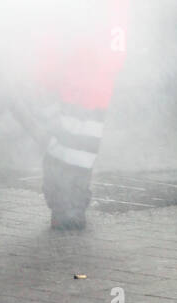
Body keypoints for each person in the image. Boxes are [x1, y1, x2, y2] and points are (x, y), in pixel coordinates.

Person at [31, 1, 131, 230]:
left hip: (84, 86)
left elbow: (116, 39)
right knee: (70, 147)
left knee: (72, 147)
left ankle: (68, 207)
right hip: (78, 85)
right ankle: (67, 206)